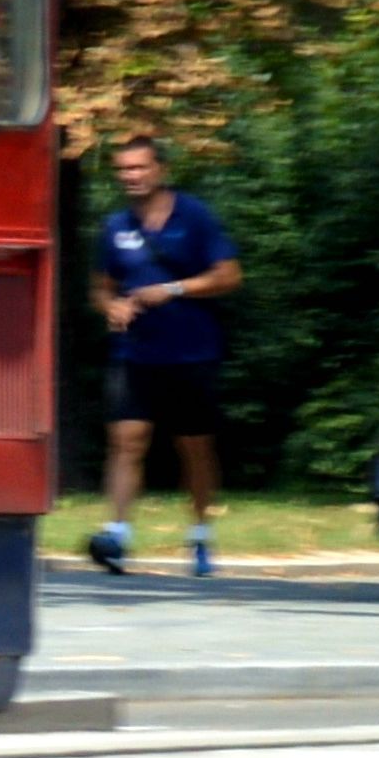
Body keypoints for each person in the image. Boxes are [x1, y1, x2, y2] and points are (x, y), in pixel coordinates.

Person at [88, 134, 246, 578]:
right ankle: (117, 534)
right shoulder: (115, 226)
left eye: (139, 168)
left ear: (159, 169)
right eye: (123, 170)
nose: (131, 176)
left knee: (194, 446)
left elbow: (230, 275)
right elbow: (100, 286)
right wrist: (111, 306)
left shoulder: (193, 216)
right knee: (126, 441)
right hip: (134, 352)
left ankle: (199, 535)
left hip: (191, 351)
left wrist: (173, 289)